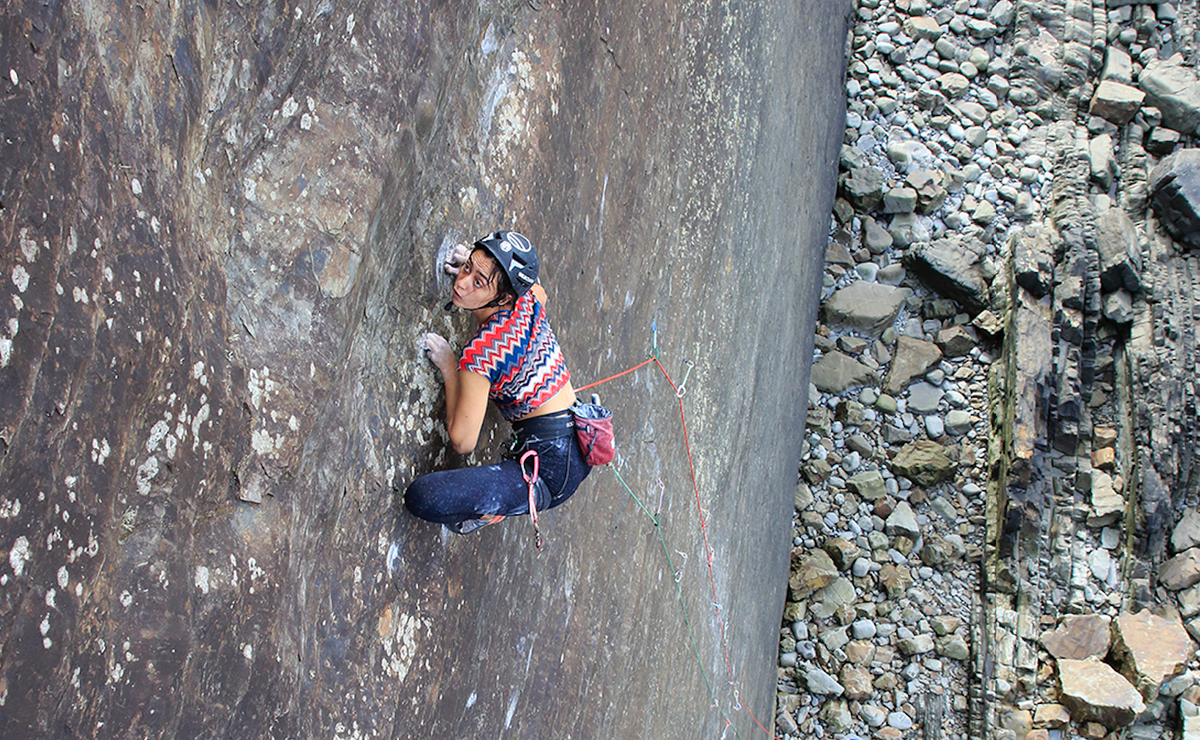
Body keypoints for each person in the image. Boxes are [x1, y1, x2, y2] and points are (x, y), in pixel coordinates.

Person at [405, 230, 592, 536]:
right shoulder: (528, 298)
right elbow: (540, 293)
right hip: (579, 435)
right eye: (468, 269)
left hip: (547, 474)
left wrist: (451, 368)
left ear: (504, 297)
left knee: (423, 497)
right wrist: (485, 274)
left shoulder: (482, 355)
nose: (461, 283)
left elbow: (463, 441)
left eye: (478, 283)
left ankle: (495, 508)